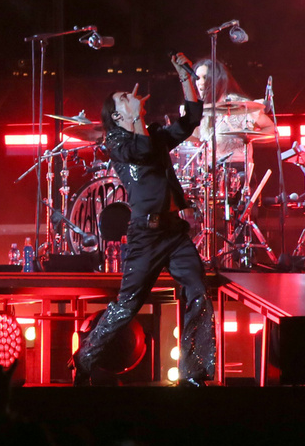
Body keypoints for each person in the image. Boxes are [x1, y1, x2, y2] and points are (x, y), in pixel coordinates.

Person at [71, 52, 216, 386]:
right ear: (117, 114)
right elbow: (138, 151)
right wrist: (136, 121)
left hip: (173, 232)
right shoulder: (116, 141)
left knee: (198, 291)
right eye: (124, 99)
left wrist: (185, 78)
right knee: (127, 306)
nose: (131, 98)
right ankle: (84, 357)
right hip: (146, 235)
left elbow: (191, 119)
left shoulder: (152, 134)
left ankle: (194, 372)